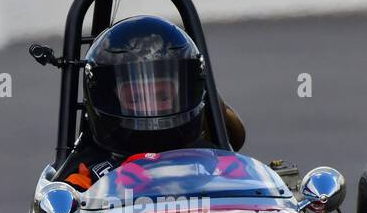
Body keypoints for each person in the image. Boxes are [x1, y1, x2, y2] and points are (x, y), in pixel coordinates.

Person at [55, 15, 246, 191]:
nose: (151, 110)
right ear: (109, 99)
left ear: (184, 94)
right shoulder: (87, 174)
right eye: (135, 98)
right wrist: (79, 196)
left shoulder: (214, 160)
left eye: (162, 97)